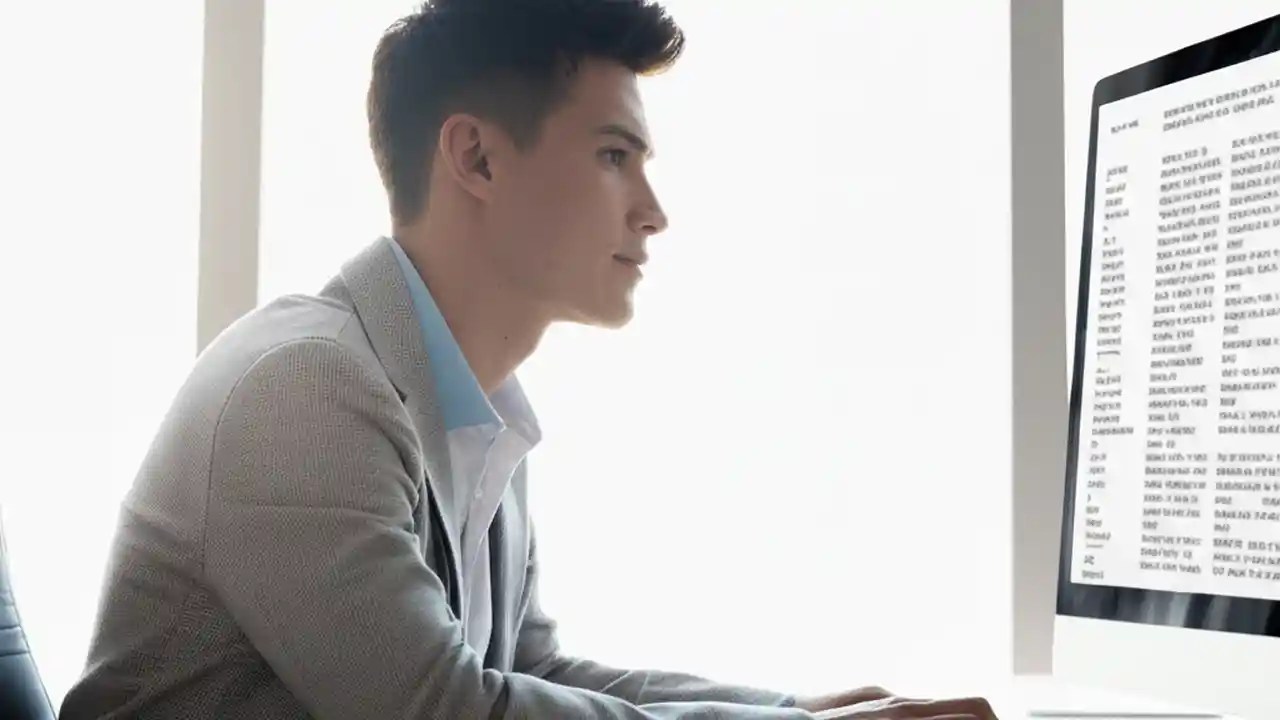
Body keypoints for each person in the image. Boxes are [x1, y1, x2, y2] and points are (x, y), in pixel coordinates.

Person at [60, 1, 998, 718]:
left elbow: (529, 674)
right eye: (612, 154)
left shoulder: (475, 408)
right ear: (476, 158)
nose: (652, 209)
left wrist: (793, 710)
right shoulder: (306, 391)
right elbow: (445, 710)